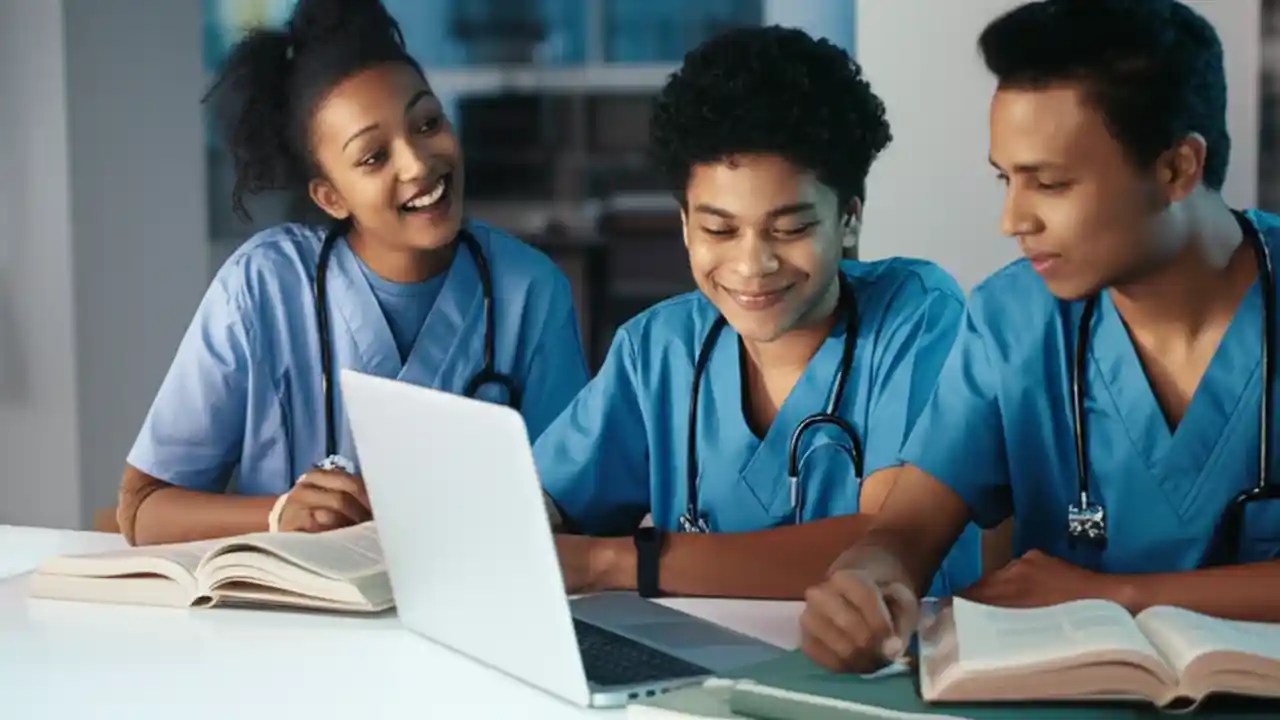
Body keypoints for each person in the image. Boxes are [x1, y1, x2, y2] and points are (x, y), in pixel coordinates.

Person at [799, 0, 1280, 674]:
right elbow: (905, 530)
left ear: (1177, 168)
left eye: (1049, 183)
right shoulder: (1012, 320)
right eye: (1006, 178)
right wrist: (866, 582)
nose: (1012, 219)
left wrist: (1118, 598)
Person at [533, 26, 982, 601]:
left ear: (848, 219)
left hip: (884, 675)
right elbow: (544, 506)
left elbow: (889, 543)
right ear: (685, 225)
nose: (752, 264)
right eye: (719, 228)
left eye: (790, 228)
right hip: (690, 672)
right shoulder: (659, 350)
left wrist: (614, 561)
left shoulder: (916, 315)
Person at [116, 0, 588, 546]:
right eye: (372, 157)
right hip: (287, 617)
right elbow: (141, 508)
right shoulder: (261, 287)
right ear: (330, 196)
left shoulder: (529, 291)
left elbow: (572, 507)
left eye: (428, 123)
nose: (417, 163)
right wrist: (279, 514)